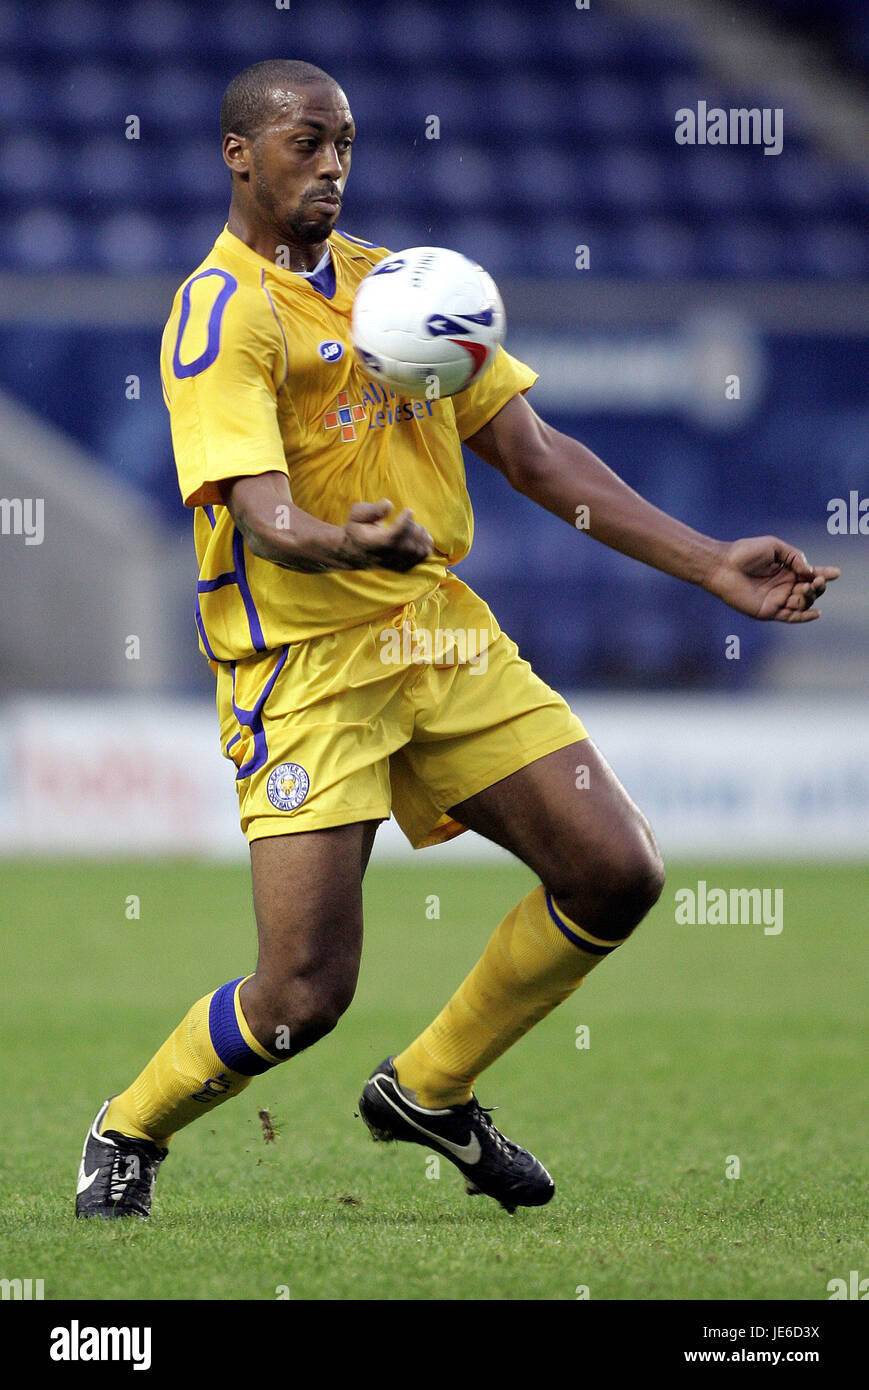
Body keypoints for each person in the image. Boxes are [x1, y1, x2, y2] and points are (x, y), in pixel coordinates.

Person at [75, 59, 838, 1219]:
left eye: (344, 143)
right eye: (304, 143)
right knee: (301, 994)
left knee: (616, 869)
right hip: (303, 670)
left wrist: (707, 560)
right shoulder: (220, 312)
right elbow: (262, 514)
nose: (330, 164)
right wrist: (347, 541)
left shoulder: (406, 289)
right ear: (239, 155)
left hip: (439, 637)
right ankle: (128, 1128)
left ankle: (430, 1087)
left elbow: (535, 456)